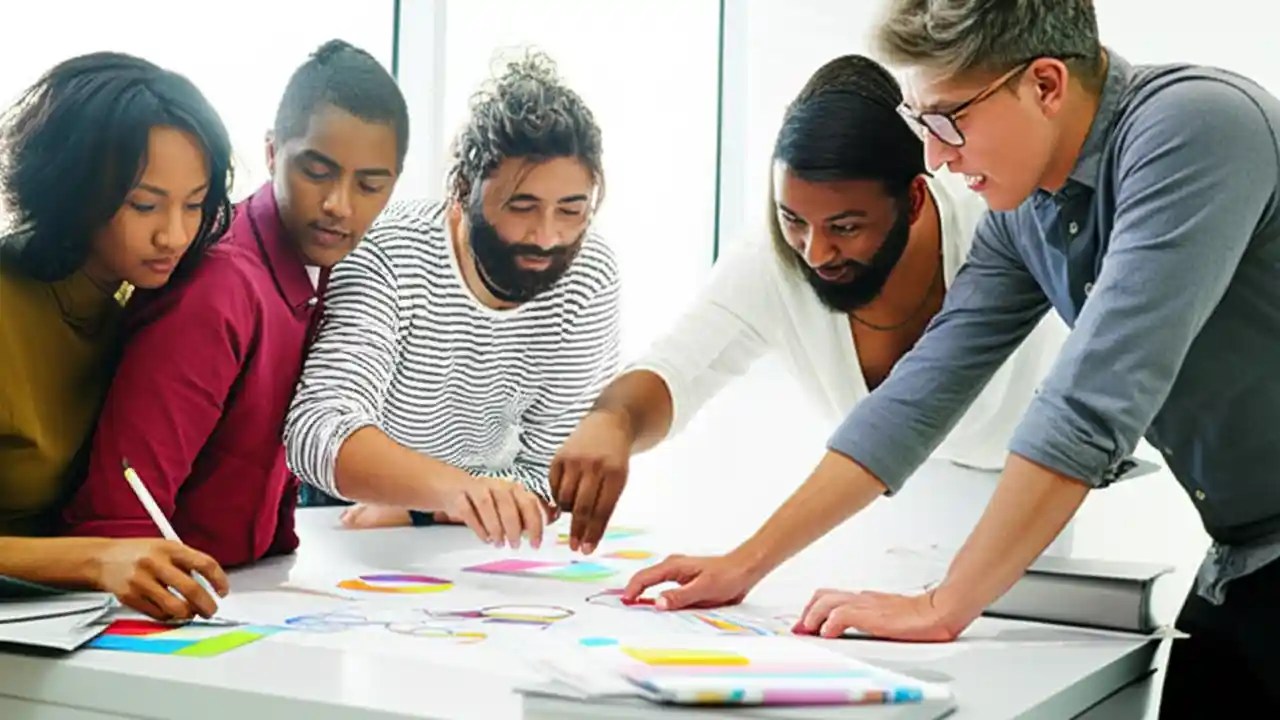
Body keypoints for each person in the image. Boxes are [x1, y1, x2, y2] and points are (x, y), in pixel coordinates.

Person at [628, 0, 1280, 713]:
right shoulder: (1022, 216)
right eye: (921, 126)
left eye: (948, 121)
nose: (935, 157)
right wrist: (743, 564)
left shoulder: (1197, 129)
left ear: (1046, 85)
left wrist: (943, 606)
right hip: (1241, 557)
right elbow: (915, 397)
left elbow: (1093, 400)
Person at [552, 54, 1069, 555]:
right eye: (793, 219)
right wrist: (612, 421)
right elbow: (680, 366)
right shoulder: (772, 257)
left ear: (913, 200)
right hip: (877, 514)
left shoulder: (996, 232)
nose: (816, 252)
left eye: (845, 227)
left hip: (1036, 498)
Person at [62, 40, 408, 573]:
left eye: (369, 185)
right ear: (272, 154)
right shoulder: (221, 286)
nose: (340, 205)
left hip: (248, 588)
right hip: (163, 608)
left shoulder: (327, 274)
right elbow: (120, 522)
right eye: (317, 172)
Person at [284, 50, 620, 550]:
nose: (547, 237)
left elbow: (553, 475)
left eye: (571, 210)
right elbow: (317, 430)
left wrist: (426, 510)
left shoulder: (590, 273)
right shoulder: (388, 252)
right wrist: (453, 495)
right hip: (341, 516)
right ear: (462, 189)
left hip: (467, 525)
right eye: (521, 206)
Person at [0, 52, 233, 620]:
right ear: (72, 188)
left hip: (61, 624)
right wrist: (95, 560)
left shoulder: (136, 309)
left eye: (196, 204)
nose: (174, 235)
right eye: (144, 205)